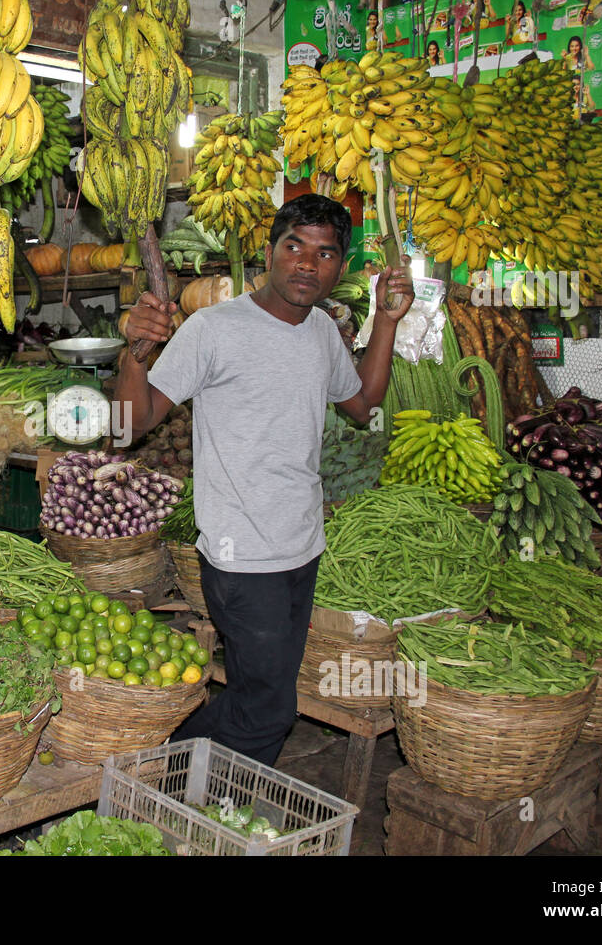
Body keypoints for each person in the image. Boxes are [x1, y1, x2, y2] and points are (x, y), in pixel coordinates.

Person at [114, 195, 415, 766]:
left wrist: (386, 321)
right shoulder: (214, 329)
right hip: (241, 556)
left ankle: (185, 788)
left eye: (325, 253)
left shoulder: (323, 332)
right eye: (294, 246)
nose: (308, 263)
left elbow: (363, 402)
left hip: (302, 549)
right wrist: (135, 355)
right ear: (270, 253)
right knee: (268, 707)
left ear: (339, 267)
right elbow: (132, 425)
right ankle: (165, 781)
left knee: (262, 693)